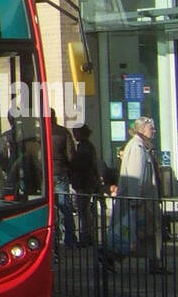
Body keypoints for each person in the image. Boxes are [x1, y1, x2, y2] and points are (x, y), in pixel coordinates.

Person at [103, 117, 165, 273]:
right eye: (151, 128)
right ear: (142, 130)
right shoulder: (137, 147)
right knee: (129, 232)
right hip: (140, 201)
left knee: (146, 232)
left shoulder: (143, 146)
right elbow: (135, 176)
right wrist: (135, 201)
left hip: (145, 199)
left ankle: (155, 262)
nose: (154, 131)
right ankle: (109, 256)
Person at [69, 123, 105, 246]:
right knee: (84, 211)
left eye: (76, 133)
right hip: (86, 182)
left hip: (84, 182)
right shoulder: (86, 146)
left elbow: (82, 166)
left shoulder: (84, 148)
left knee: (83, 211)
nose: (75, 136)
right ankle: (87, 236)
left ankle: (86, 237)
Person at [49, 112, 78, 251]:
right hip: (61, 172)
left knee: (48, 209)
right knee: (65, 208)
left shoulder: (40, 133)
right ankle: (70, 239)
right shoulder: (63, 132)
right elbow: (71, 155)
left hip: (46, 174)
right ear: (54, 117)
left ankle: (54, 239)